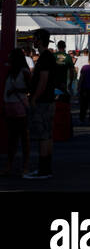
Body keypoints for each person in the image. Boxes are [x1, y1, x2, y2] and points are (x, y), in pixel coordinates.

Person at [26, 30, 57, 179]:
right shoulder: (49, 57)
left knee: (43, 136)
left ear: (39, 40)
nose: (33, 40)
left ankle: (43, 170)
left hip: (43, 101)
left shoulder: (45, 58)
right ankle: (46, 168)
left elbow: (43, 80)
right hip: (49, 100)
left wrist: (34, 98)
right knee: (48, 135)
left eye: (35, 38)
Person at [3, 47, 31, 177]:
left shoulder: (24, 72)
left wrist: (16, 90)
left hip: (19, 106)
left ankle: (24, 166)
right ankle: (10, 164)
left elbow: (30, 88)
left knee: (22, 137)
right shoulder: (10, 72)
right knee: (12, 138)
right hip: (10, 106)